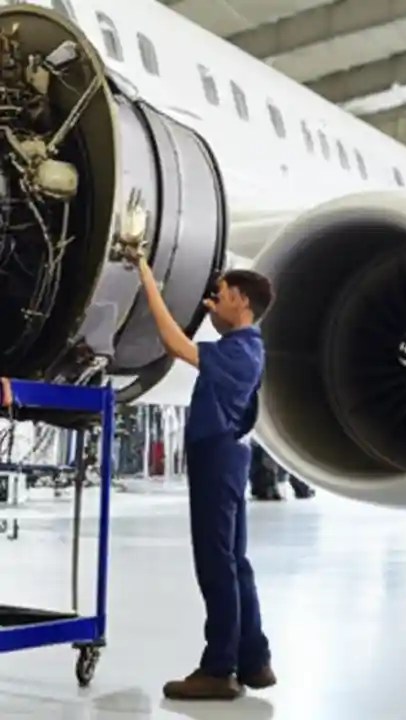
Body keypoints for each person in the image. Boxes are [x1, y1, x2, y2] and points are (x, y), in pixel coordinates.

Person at [130, 248, 278, 700]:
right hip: (227, 455)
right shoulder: (243, 346)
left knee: (215, 563)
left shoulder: (241, 350)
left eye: (223, 293)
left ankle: (219, 668)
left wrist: (145, 275)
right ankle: (253, 659)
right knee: (235, 562)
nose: (217, 299)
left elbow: (175, 344)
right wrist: (210, 312)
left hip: (216, 457)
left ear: (243, 301)